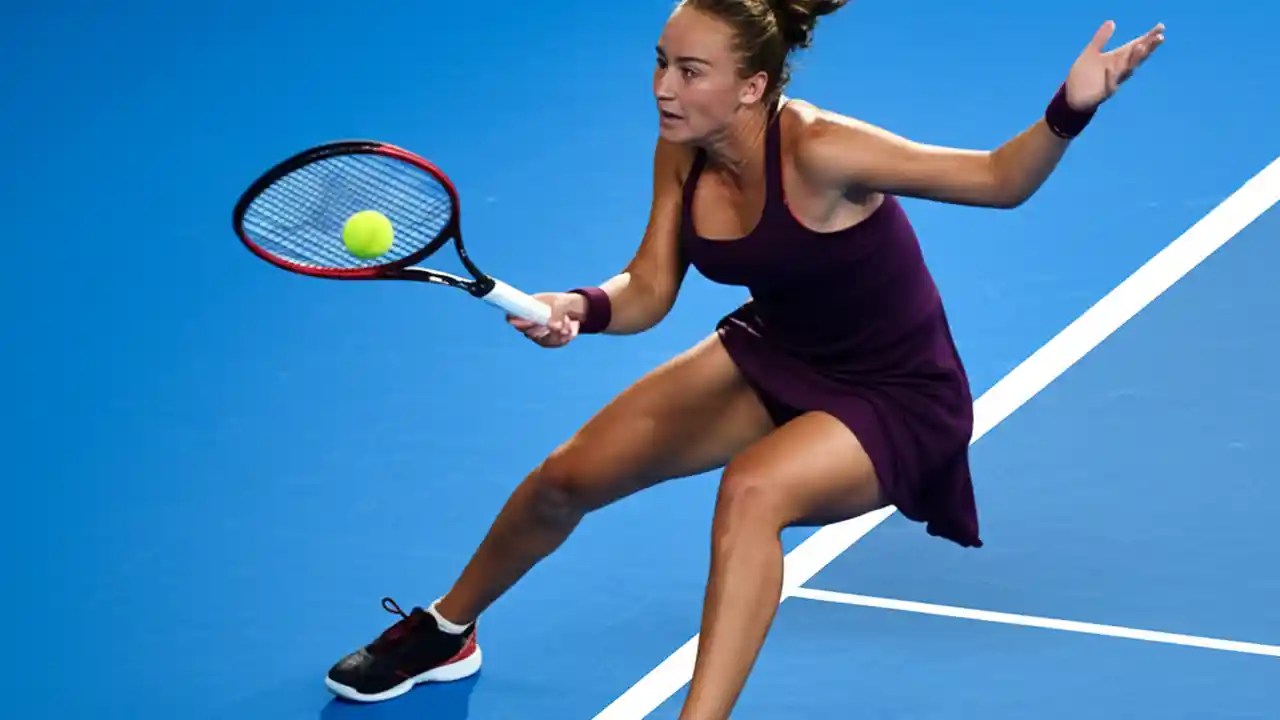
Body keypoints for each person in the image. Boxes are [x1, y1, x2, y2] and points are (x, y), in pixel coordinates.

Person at [325, 1, 1165, 715]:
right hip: (781, 353)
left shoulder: (823, 149)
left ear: (753, 86)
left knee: (753, 490)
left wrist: (1070, 105)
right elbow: (651, 287)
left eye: (690, 71)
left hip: (897, 396)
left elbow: (996, 179)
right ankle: (446, 629)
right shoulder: (679, 146)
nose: (663, 88)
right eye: (660, 64)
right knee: (567, 476)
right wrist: (576, 307)